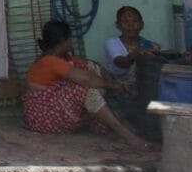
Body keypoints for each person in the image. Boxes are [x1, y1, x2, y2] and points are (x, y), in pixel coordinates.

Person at [23, 19, 149, 151]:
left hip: (53, 112)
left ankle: (121, 122)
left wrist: (113, 83)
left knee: (90, 67)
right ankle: (126, 134)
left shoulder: (62, 59)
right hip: (43, 117)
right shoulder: (49, 61)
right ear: (63, 41)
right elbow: (86, 79)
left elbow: (92, 66)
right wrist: (111, 86)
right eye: (69, 39)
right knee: (84, 89)